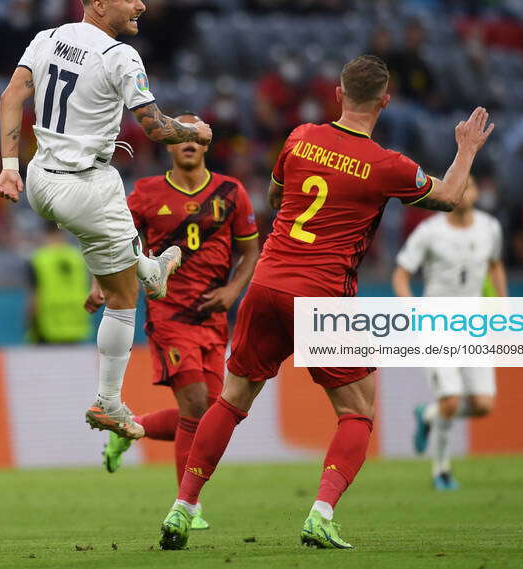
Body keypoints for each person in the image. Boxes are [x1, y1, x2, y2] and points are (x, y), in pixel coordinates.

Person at [157, 55, 493, 550]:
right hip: (322, 297)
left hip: (267, 285)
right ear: (386, 99)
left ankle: (183, 507)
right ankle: (321, 513)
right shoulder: (388, 165)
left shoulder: (299, 137)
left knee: (231, 400)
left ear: (338, 93)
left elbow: (275, 197)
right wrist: (465, 149)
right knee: (357, 410)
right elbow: (447, 196)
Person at [0, 0, 212, 440]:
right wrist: (194, 129)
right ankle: (108, 401)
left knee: (120, 217)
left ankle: (149, 266)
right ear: (98, 3)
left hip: (43, 180)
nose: (142, 5)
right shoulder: (121, 58)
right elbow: (156, 129)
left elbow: (11, 96)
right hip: (84, 184)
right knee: (126, 297)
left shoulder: (47, 38)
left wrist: (10, 169)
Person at [89, 116, 260, 530]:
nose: (188, 144)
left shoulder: (230, 192)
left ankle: (131, 429)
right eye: (179, 136)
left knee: (207, 416)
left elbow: (251, 251)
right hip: (168, 313)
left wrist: (233, 291)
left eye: (195, 138)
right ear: (168, 146)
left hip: (213, 316)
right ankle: (189, 505)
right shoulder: (147, 193)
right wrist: (99, 283)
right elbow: (111, 238)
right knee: (195, 404)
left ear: (205, 146)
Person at [392, 175, 508, 490]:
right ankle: (441, 470)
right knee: (451, 401)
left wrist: (502, 305)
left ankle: (426, 415)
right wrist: (412, 309)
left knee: (483, 404)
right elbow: (401, 274)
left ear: (476, 191)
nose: (463, 193)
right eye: (458, 188)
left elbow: (495, 265)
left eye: (468, 186)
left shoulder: (489, 228)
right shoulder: (429, 232)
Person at [27, 220, 92, 344]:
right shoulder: (78, 258)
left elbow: (34, 298)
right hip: (76, 324)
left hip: (48, 327)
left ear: (44, 233)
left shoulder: (38, 259)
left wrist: (30, 325)